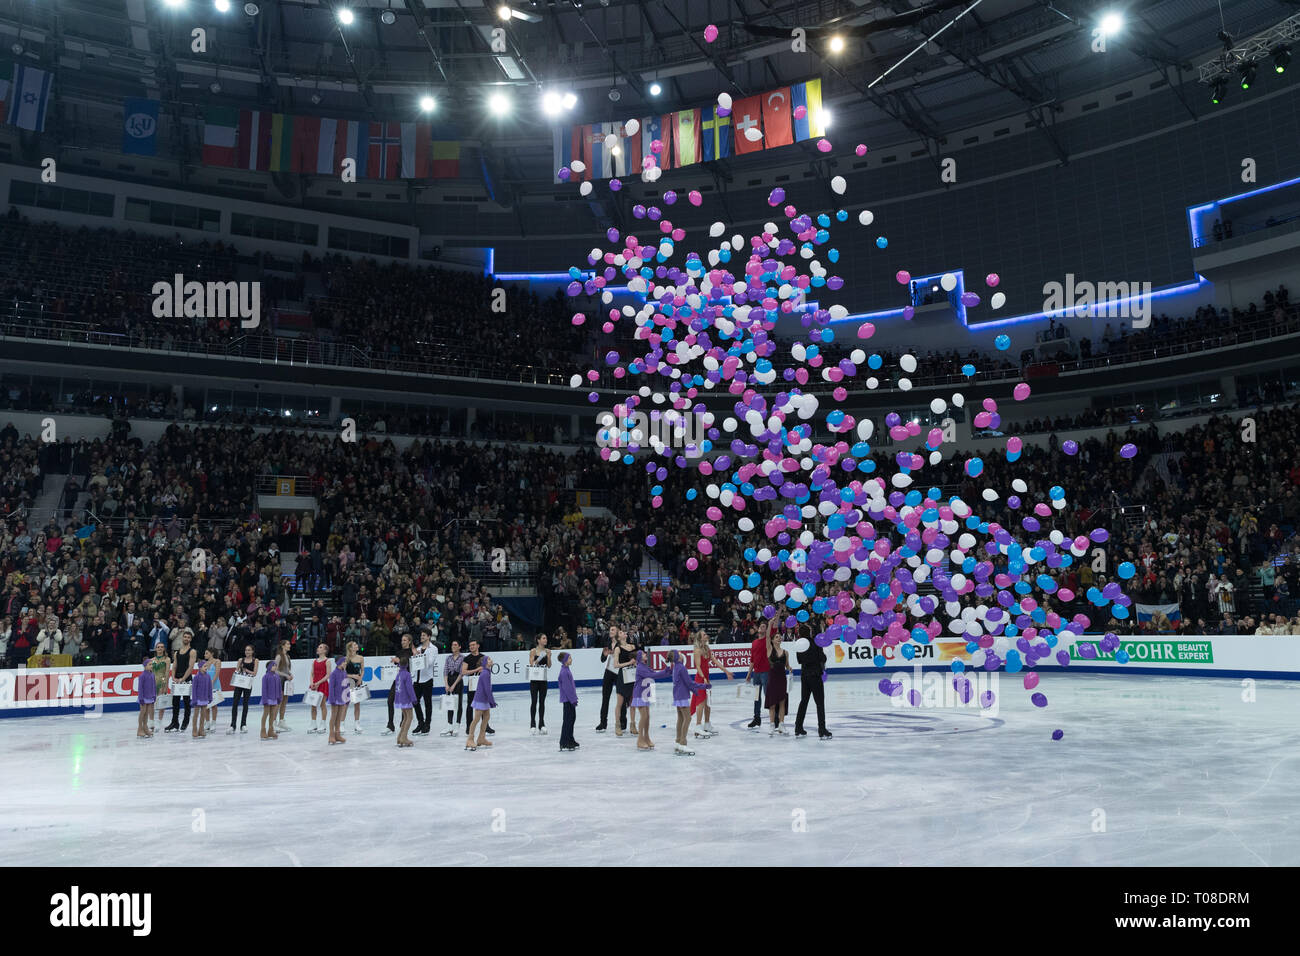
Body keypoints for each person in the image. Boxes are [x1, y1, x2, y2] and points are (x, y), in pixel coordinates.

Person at [690, 630, 731, 738]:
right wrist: (703, 678)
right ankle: (698, 726)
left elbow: (715, 661)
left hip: (706, 678)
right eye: (704, 635)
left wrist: (726, 671)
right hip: (700, 678)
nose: (706, 635)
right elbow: (698, 666)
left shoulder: (707, 649)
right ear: (700, 638)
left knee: (708, 701)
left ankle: (707, 724)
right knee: (701, 702)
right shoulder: (697, 650)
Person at [630, 649, 671, 751]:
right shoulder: (640, 668)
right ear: (639, 657)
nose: (645, 654)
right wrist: (666, 670)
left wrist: (668, 671)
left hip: (645, 694)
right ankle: (640, 739)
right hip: (639, 694)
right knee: (644, 716)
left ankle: (646, 737)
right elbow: (652, 676)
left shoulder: (645, 666)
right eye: (643, 654)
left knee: (647, 716)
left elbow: (656, 674)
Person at [794, 630, 831, 739]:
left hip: (805, 676)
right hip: (815, 675)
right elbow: (822, 658)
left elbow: (799, 660)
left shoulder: (800, 645)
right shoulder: (816, 643)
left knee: (804, 701)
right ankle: (822, 729)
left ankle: (798, 727)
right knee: (819, 703)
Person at [671, 649, 709, 756]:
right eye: (679, 654)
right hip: (682, 696)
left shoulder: (676, 667)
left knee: (681, 718)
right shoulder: (681, 668)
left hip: (677, 696)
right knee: (687, 718)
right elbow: (690, 683)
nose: (682, 655)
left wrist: (695, 691)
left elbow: (687, 683)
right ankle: (683, 743)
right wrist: (703, 686)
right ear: (678, 658)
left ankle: (678, 742)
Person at [164, 629, 197, 733]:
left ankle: (185, 722)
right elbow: (174, 666)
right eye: (185, 637)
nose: (186, 639)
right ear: (182, 638)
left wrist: (183, 679)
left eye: (188, 637)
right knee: (175, 702)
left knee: (187, 702)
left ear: (190, 639)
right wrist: (173, 677)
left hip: (186, 679)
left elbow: (190, 667)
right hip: (177, 679)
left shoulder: (192, 651)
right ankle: (174, 722)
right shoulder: (177, 652)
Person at [742, 622, 771, 729]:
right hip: (757, 674)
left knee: (768, 696)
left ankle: (775, 717)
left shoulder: (768, 640)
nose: (761, 627)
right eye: (761, 626)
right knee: (756, 697)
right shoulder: (754, 643)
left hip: (766, 672)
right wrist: (749, 674)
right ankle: (757, 718)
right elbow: (752, 660)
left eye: (764, 627)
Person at [467, 654, 498, 751]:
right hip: (481, 699)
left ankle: (481, 738)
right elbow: (487, 689)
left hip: (484, 699)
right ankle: (470, 739)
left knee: (486, 717)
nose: (491, 660)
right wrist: (492, 701)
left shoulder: (487, 672)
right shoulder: (485, 673)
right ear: (485, 663)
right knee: (476, 719)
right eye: (488, 659)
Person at [384, 632, 414, 736]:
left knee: (403, 703)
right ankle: (390, 725)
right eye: (402, 640)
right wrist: (394, 661)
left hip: (406, 679)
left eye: (405, 640)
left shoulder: (412, 652)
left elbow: (410, 665)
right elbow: (397, 664)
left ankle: (403, 723)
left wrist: (399, 660)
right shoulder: (399, 652)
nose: (402, 642)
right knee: (390, 700)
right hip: (397, 679)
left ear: (409, 642)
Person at [412, 628, 437, 735]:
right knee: (415, 701)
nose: (421, 637)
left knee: (428, 703)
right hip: (417, 679)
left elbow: (430, 663)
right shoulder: (417, 648)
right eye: (421, 635)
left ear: (428, 636)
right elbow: (414, 664)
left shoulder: (433, 649)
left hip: (427, 679)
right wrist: (415, 656)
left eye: (424, 635)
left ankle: (427, 724)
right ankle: (420, 722)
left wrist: (419, 656)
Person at [613, 629, 638, 738]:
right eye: (622, 633)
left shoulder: (632, 646)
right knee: (620, 703)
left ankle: (633, 724)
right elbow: (615, 665)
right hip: (622, 677)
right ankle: (618, 725)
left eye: (624, 632)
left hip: (632, 676)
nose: (625, 633)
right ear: (619, 638)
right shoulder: (617, 649)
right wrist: (629, 663)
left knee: (632, 702)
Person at [767, 627, 791, 735]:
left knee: (782, 702)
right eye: (776, 637)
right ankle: (772, 725)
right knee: (772, 703)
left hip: (782, 679)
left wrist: (789, 668)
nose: (779, 638)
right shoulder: (769, 650)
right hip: (772, 679)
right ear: (772, 640)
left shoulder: (786, 652)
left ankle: (781, 724)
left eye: (780, 637)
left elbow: (787, 665)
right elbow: (767, 636)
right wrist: (770, 624)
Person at [595, 629, 620, 732]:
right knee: (605, 698)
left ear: (618, 632)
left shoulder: (621, 643)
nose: (610, 631)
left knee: (621, 699)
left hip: (619, 673)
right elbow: (602, 659)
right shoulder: (607, 643)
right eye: (610, 630)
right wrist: (605, 655)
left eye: (613, 630)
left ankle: (622, 722)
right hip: (609, 672)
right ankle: (603, 722)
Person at [229, 643, 257, 734]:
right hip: (239, 683)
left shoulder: (255, 660)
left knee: (245, 703)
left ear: (252, 651)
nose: (247, 652)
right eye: (246, 650)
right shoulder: (241, 660)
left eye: (249, 650)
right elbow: (237, 671)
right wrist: (239, 670)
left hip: (248, 684)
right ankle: (233, 725)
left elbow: (254, 673)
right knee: (235, 703)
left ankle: (243, 724)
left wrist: (246, 670)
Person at [528, 632, 552, 735]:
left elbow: (549, 665)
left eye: (546, 638)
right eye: (543, 638)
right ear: (538, 640)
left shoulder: (547, 651)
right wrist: (541, 656)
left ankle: (541, 723)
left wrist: (549, 656)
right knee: (534, 701)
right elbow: (532, 664)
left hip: (543, 679)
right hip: (534, 679)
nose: (545, 640)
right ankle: (532, 723)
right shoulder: (533, 651)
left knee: (542, 702)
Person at [392, 648, 416, 748]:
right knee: (409, 717)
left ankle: (399, 737)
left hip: (400, 699)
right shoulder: (407, 674)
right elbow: (409, 688)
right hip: (406, 698)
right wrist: (414, 698)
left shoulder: (398, 674)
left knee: (405, 717)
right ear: (407, 665)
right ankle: (404, 738)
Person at [441, 639, 464, 736]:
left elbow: (462, 673)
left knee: (458, 703)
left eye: (455, 645)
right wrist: (446, 684)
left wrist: (454, 685)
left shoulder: (463, 658)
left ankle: (457, 725)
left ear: (459, 647)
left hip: (457, 681)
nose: (453, 646)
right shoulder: (448, 658)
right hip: (449, 680)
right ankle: (449, 725)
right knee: (449, 703)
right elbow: (445, 671)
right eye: (452, 645)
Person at [147, 641, 171, 735]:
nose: (160, 648)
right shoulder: (151, 660)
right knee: (151, 703)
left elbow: (167, 672)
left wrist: (165, 684)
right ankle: (151, 721)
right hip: (153, 683)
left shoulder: (167, 659)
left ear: (164, 649)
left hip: (162, 682)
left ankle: (159, 721)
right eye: (158, 647)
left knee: (161, 703)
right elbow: (149, 673)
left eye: (162, 647)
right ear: (156, 649)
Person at [557, 651, 579, 752]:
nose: (571, 659)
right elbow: (567, 688)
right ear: (565, 661)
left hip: (570, 700)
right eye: (569, 658)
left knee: (571, 720)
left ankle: (570, 739)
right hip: (568, 700)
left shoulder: (566, 669)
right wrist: (573, 699)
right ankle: (564, 742)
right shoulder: (564, 672)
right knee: (568, 721)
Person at [308, 642, 331, 734]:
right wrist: (312, 682)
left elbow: (328, 675)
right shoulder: (314, 661)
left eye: (320, 647)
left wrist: (318, 682)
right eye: (318, 647)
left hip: (323, 684)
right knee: (313, 705)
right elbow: (311, 673)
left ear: (325, 650)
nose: (318, 648)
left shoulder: (327, 661)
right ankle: (313, 723)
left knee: (322, 705)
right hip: (314, 684)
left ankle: (323, 723)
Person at [190, 648, 214, 738]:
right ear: (200, 667)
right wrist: (194, 699)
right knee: (196, 715)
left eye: (206, 667)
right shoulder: (196, 677)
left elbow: (209, 688)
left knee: (203, 715)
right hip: (198, 699)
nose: (206, 668)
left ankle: (201, 730)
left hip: (205, 698)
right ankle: (194, 729)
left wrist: (210, 697)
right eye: (204, 667)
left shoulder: (208, 677)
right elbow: (194, 689)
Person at [344, 641, 365, 734]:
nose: (357, 646)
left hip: (358, 681)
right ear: (350, 648)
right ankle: (341, 723)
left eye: (357, 644)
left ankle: (357, 723)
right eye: (355, 645)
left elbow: (363, 670)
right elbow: (343, 674)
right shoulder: (346, 659)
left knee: (357, 703)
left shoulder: (361, 658)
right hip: (349, 681)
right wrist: (352, 676)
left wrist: (360, 678)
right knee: (346, 703)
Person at [136, 651, 157, 739]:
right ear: (145, 666)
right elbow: (140, 688)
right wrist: (141, 697)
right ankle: (140, 729)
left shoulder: (152, 674)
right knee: (143, 712)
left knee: (147, 713)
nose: (151, 666)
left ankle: (145, 727)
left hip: (150, 697)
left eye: (152, 664)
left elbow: (153, 686)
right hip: (143, 697)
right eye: (149, 664)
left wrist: (154, 695)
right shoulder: (142, 676)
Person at [274, 638, 294, 732]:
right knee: (279, 702)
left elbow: (287, 668)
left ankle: (281, 721)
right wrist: (286, 675)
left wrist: (290, 674)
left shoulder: (288, 656)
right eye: (288, 644)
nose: (289, 645)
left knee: (284, 702)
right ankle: (273, 722)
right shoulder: (279, 656)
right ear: (283, 646)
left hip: (286, 681)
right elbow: (275, 670)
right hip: (280, 680)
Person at [260, 658, 282, 740]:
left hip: (275, 698)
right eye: (273, 665)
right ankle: (263, 730)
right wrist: (264, 699)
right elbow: (264, 689)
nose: (275, 667)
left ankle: (270, 730)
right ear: (269, 667)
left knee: (273, 715)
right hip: (268, 698)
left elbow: (279, 688)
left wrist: (279, 697)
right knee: (266, 714)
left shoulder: (277, 676)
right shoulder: (265, 677)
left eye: (276, 666)